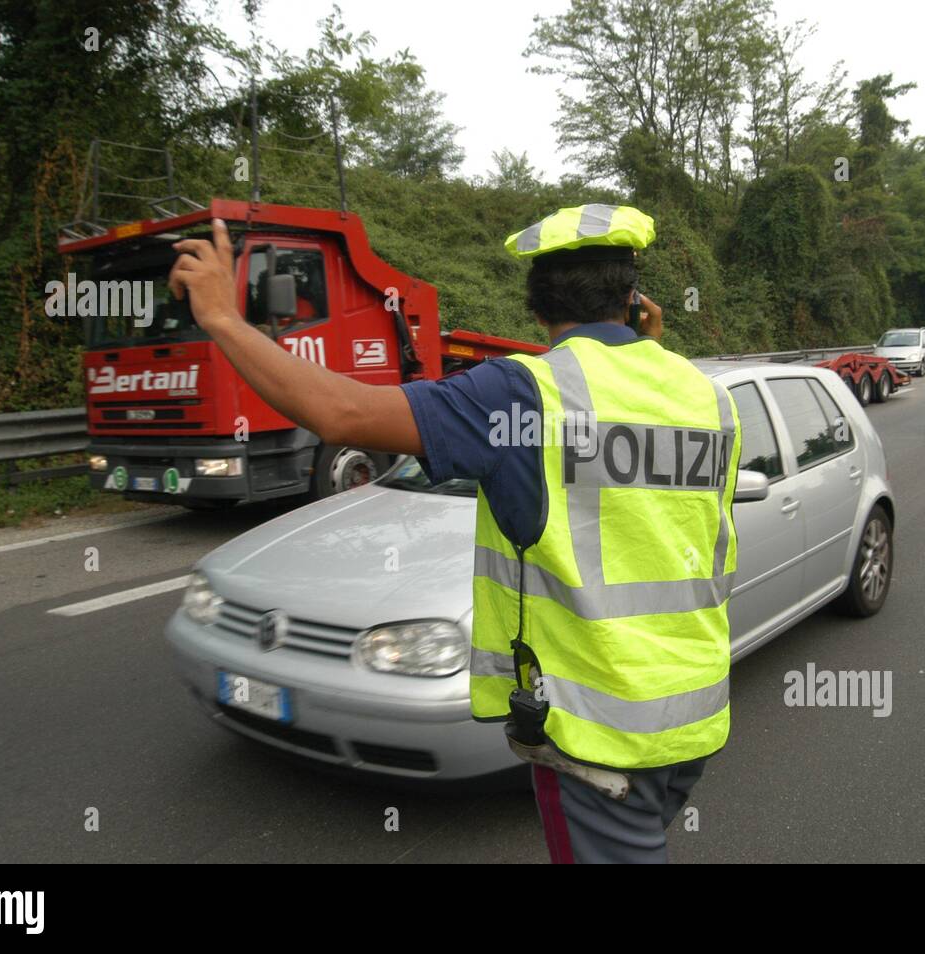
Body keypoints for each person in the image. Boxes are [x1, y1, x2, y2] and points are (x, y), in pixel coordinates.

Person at [168, 204, 741, 863]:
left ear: (535, 305)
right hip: (692, 715)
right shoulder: (707, 397)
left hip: (597, 731)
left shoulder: (526, 393)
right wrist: (651, 344)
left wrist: (219, 317)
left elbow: (341, 412)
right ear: (634, 300)